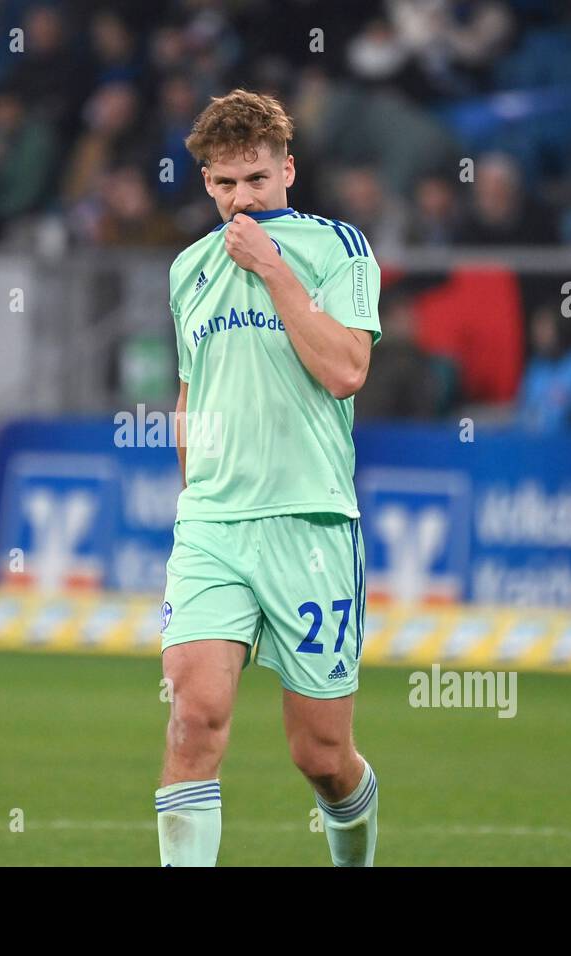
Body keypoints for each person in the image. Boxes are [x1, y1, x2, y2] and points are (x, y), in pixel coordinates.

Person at [158, 89, 382, 866]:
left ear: (287, 170)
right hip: (213, 529)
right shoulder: (188, 270)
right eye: (225, 183)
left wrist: (272, 268)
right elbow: (190, 397)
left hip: (309, 524)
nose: (242, 198)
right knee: (194, 719)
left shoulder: (338, 248)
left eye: (256, 178)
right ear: (206, 183)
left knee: (321, 756)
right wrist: (194, 499)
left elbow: (346, 370)